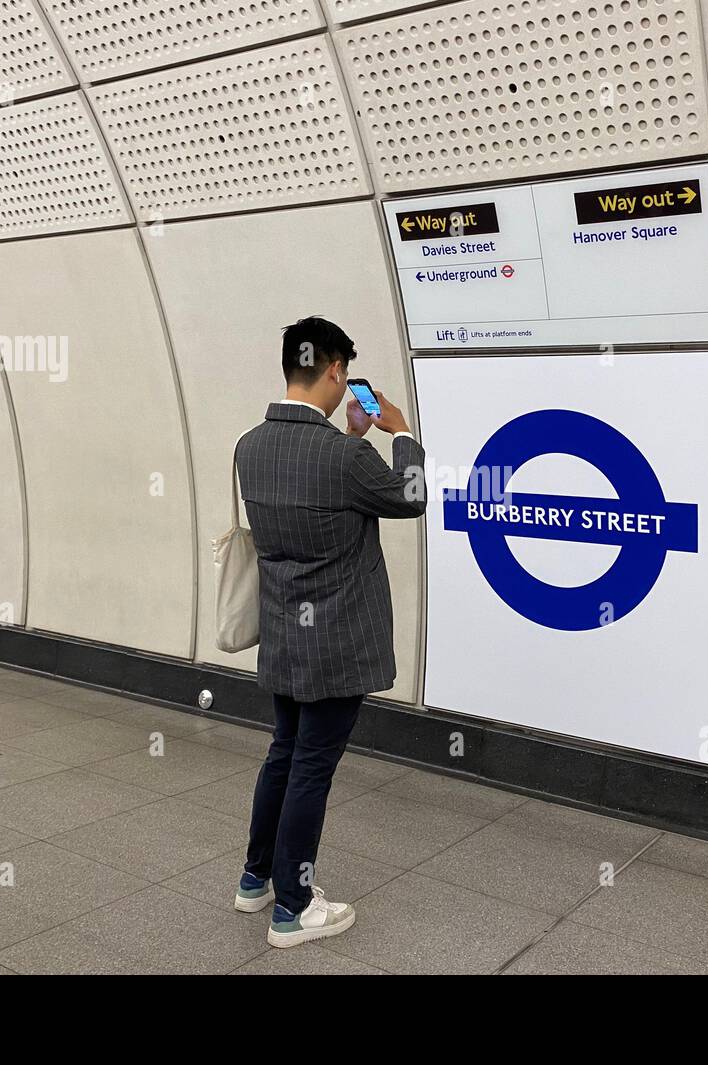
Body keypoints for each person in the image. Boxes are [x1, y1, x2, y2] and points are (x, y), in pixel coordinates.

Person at [231, 316, 426, 948]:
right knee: (312, 766)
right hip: (338, 642)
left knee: (284, 753)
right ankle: (293, 908)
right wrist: (399, 433)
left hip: (286, 634)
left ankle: (255, 880)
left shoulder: (250, 446)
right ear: (337, 370)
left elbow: (306, 507)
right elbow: (412, 496)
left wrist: (350, 437)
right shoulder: (345, 459)